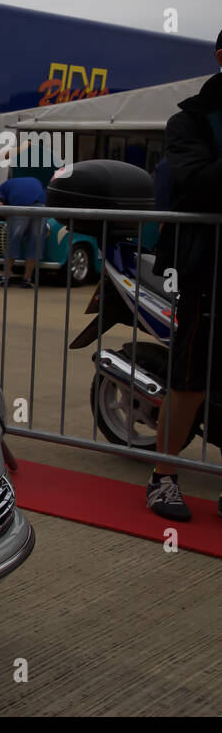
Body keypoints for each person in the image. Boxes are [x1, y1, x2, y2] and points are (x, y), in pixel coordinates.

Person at [146, 28, 222, 522]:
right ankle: (163, 477)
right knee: (191, 377)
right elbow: (199, 183)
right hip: (206, 269)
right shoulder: (191, 118)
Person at [0, 173, 47, 288]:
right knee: (35, 240)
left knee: (14, 239)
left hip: (20, 204)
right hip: (40, 204)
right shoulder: (34, 179)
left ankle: (6, 277)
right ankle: (27, 279)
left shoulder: (3, 186)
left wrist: (7, 217)